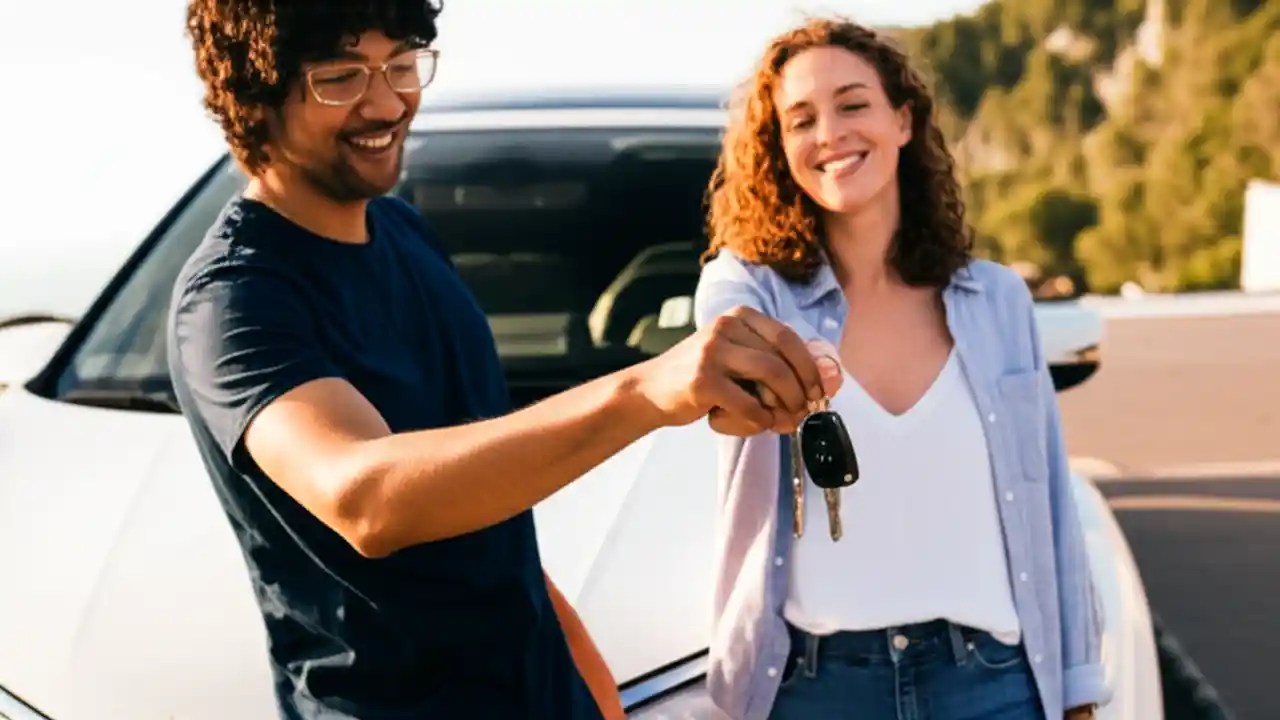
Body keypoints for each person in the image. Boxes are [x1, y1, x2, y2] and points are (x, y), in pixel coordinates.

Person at [169, 2, 839, 718]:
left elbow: (481, 511)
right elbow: (367, 498)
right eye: (340, 77)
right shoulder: (234, 300)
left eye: (401, 64)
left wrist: (587, 676)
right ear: (252, 93)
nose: (388, 102)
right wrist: (645, 390)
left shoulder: (399, 230)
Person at [693, 17, 1109, 720]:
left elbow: (1051, 504)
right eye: (801, 119)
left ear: (904, 121)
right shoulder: (749, 288)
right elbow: (726, 363)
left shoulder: (996, 299)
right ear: (779, 148)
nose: (829, 133)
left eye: (853, 104)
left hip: (993, 683)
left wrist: (1078, 690)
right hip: (816, 688)